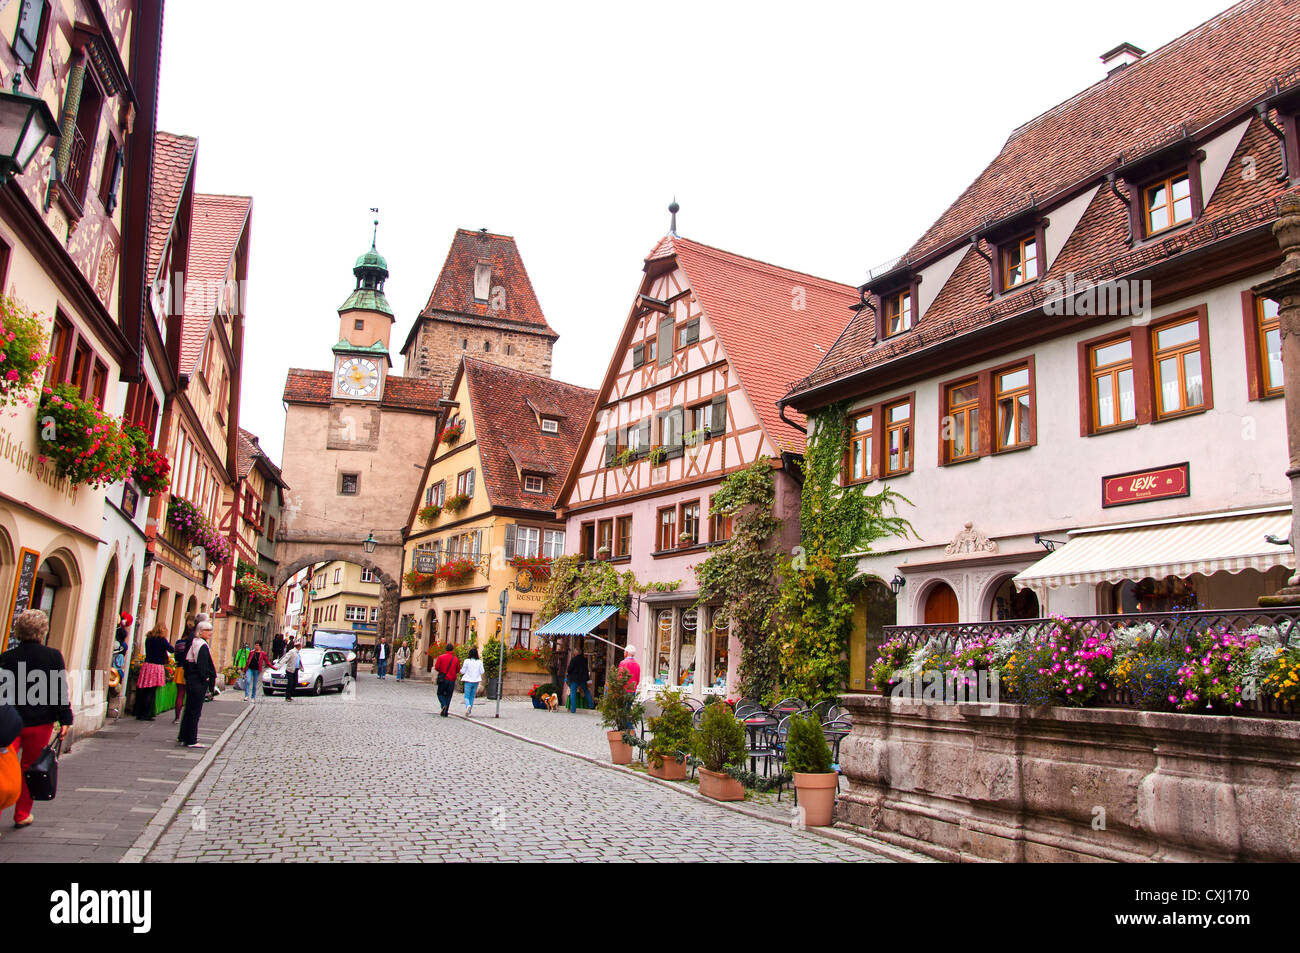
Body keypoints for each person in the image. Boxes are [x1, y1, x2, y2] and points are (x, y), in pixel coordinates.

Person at [0, 610, 73, 828]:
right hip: (40, 722)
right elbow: (59, 690)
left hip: (9, 723)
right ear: (43, 631)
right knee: (30, 769)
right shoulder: (52, 656)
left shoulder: (6, 657)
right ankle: (22, 814)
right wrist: (65, 718)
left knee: (3, 767)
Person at [178, 620, 217, 748]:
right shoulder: (202, 645)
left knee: (189, 710)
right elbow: (202, 666)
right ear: (201, 632)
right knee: (194, 711)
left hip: (191, 680)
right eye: (208, 631)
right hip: (197, 682)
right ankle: (191, 739)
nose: (210, 633)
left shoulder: (194, 643)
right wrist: (206, 679)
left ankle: (185, 736)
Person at [134, 624, 173, 720]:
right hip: (156, 666)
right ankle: (146, 714)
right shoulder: (162, 640)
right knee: (151, 692)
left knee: (145, 690)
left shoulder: (149, 638)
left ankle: (140, 713)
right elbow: (171, 649)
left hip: (147, 666)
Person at [433, 644, 460, 717]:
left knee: (440, 693)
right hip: (452, 680)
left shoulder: (441, 657)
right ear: (452, 650)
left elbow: (437, 667)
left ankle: (443, 705)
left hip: (443, 679)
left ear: (446, 649)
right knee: (449, 695)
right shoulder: (455, 659)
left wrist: (442, 671)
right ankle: (446, 711)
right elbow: (458, 670)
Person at [460, 646, 484, 717]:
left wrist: (459, 671)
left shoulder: (467, 661)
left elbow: (463, 671)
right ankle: (469, 711)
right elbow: (482, 671)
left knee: (466, 696)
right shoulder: (479, 662)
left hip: (468, 680)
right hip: (476, 681)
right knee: (472, 696)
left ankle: (468, 706)